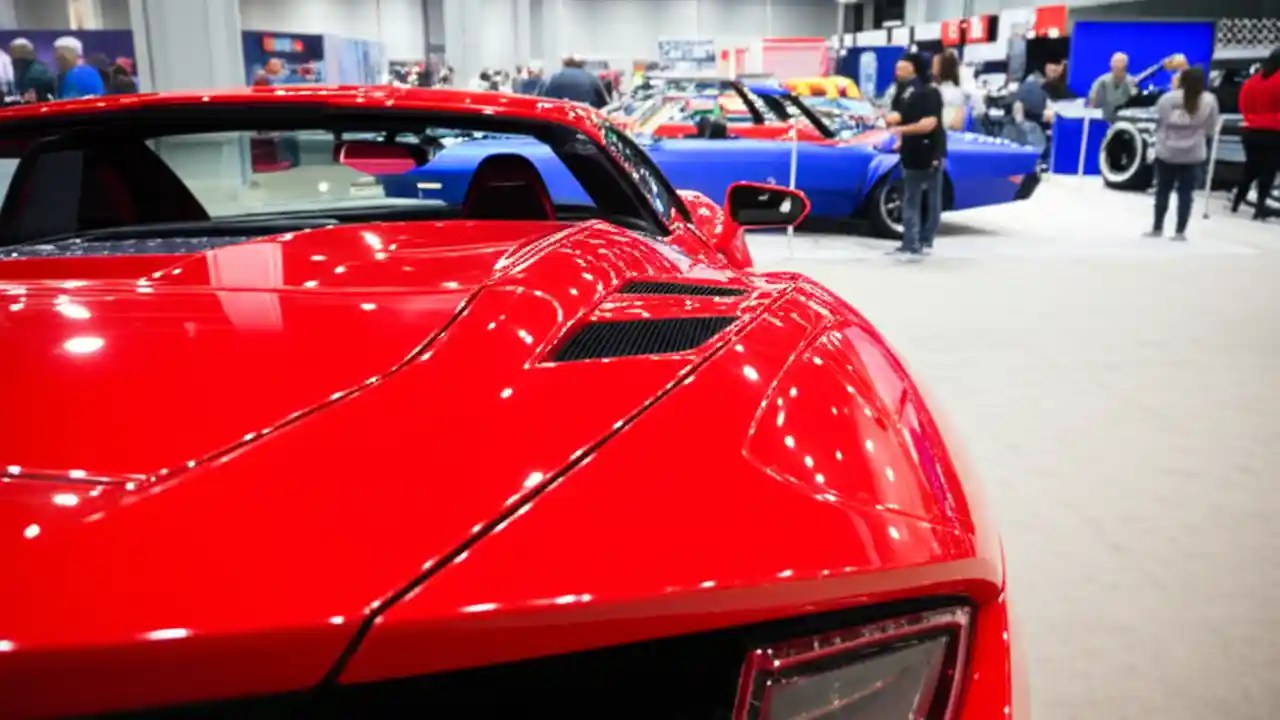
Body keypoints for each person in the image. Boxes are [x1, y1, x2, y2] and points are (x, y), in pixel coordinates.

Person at [1145, 66, 1219, 241]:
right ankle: (1180, 231)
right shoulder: (1210, 100)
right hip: (1193, 153)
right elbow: (1211, 126)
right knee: (1186, 193)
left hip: (1166, 151)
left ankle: (1157, 228)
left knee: (1162, 190)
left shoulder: (1167, 99)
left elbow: (1158, 121)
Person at [886, 53, 946, 261]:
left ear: (912, 68)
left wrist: (900, 130)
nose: (897, 71)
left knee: (929, 198)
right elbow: (900, 115)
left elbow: (929, 124)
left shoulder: (928, 92)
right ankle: (912, 240)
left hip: (929, 150)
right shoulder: (902, 91)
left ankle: (923, 239)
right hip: (910, 150)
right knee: (911, 197)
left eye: (901, 67)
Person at [1232, 47, 1280, 220]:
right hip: (1274, 132)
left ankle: (1236, 202)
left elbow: (1243, 104)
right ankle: (1259, 208)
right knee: (1268, 172)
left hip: (1251, 131)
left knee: (1250, 169)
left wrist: (1252, 118)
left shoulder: (1253, 81)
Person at [932, 50, 983, 131]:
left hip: (954, 129)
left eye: (935, 65)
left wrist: (965, 114)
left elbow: (979, 108)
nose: (932, 69)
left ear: (944, 67)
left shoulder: (961, 89)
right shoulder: (933, 87)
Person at [540, 55, 609, 109]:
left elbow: (539, 99)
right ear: (582, 65)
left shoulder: (551, 78)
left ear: (564, 64)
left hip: (557, 116)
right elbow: (604, 104)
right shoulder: (592, 78)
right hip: (584, 116)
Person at [1089, 52, 1137, 121]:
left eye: (1121, 69)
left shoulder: (1131, 82)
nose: (1117, 72)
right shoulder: (1102, 82)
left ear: (1126, 68)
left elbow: (1135, 103)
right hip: (1105, 119)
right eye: (1115, 68)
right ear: (1111, 67)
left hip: (1126, 120)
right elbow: (1092, 103)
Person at [10, 38, 55, 102]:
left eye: (22, 51)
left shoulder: (39, 72)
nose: (18, 55)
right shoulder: (15, 68)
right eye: (15, 52)